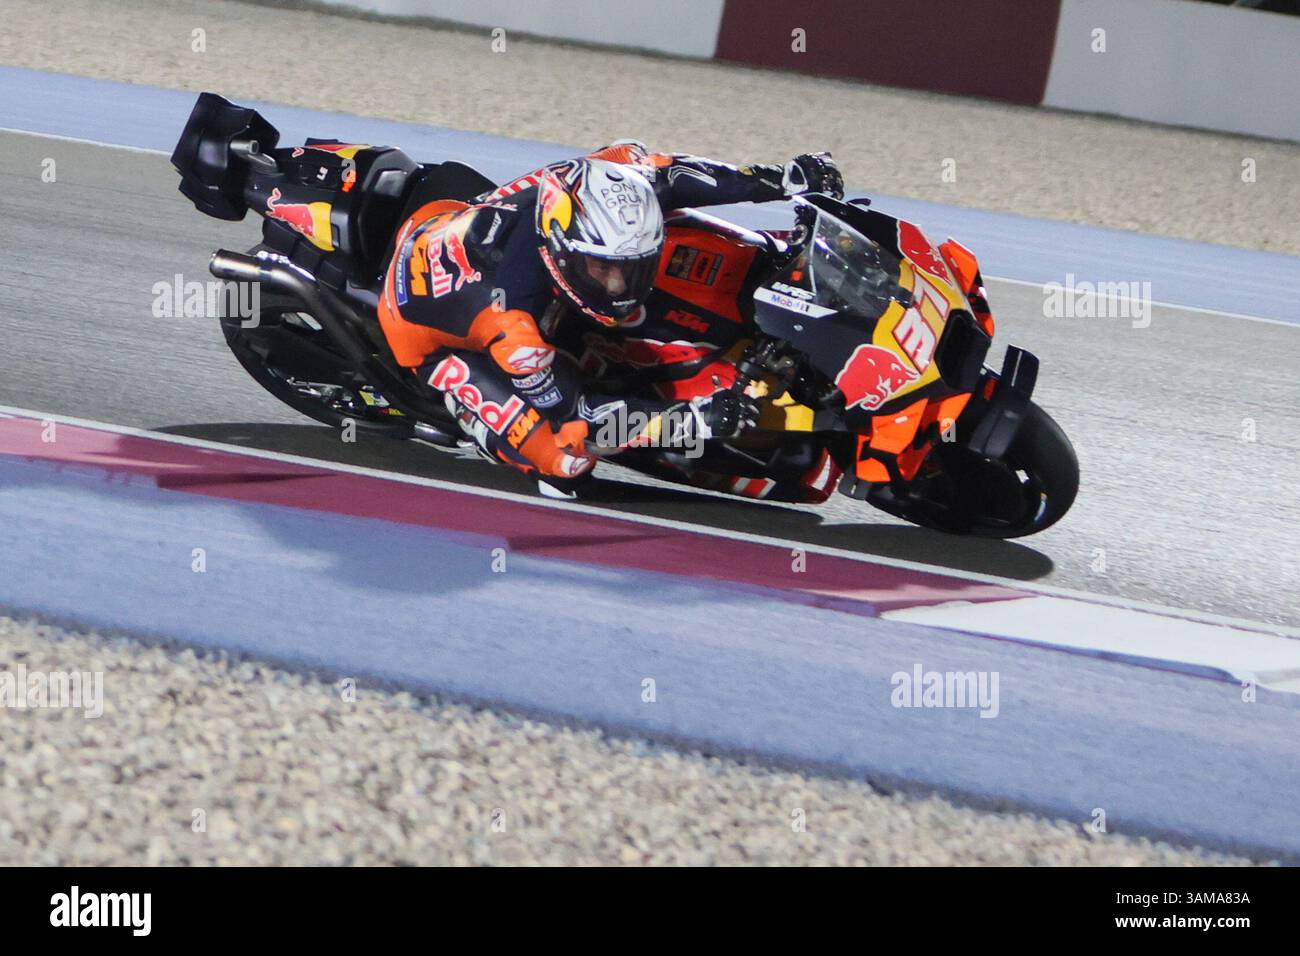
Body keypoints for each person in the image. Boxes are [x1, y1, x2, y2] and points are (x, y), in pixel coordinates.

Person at [376, 141, 843, 496]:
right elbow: (578, 417)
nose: (622, 286)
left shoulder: (606, 178)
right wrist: (691, 421)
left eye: (630, 270)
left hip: (460, 217)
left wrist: (781, 179)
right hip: (429, 331)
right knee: (565, 463)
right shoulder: (517, 331)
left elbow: (679, 176)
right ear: (563, 253)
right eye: (607, 271)